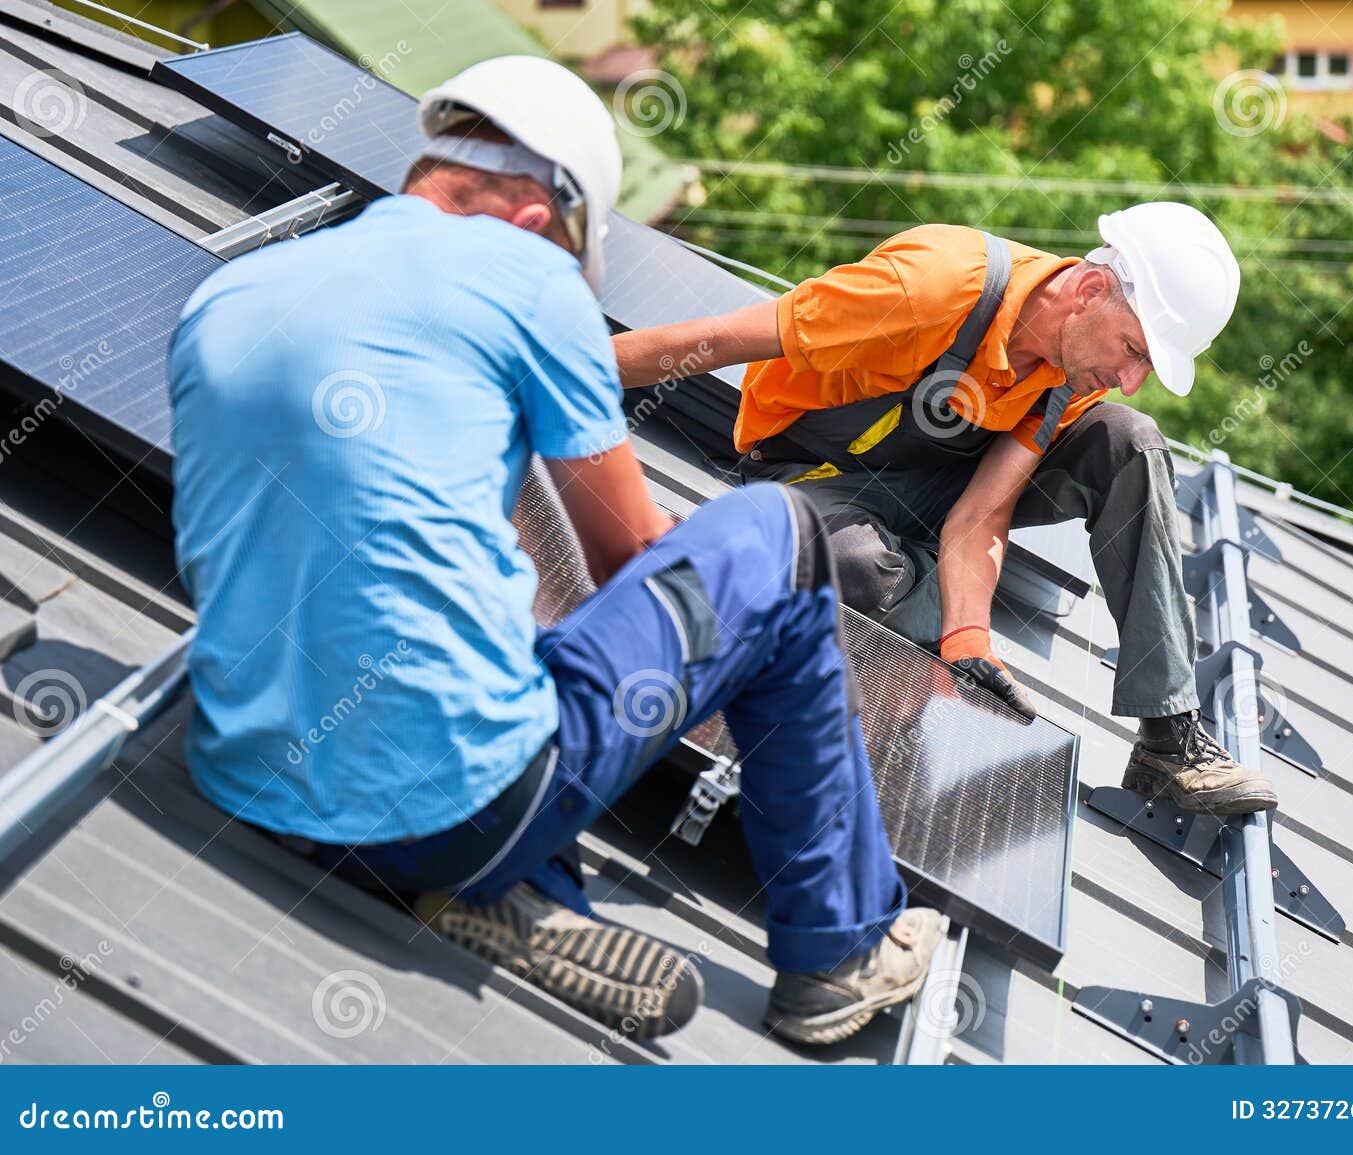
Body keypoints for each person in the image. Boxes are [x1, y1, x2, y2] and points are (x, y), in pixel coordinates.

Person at [166, 55, 941, 1046]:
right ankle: (843, 948)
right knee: (773, 539)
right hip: (449, 809)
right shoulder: (529, 278)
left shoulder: (240, 287)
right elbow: (631, 560)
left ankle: (512, 887)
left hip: (247, 773)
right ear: (542, 222)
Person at [613, 207, 1277, 815]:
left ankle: (1170, 734)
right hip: (817, 474)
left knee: (1129, 438)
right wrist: (557, 373)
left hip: (940, 492)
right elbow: (717, 339)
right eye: (1133, 349)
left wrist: (967, 642)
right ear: (1087, 291)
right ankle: (902, 579)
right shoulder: (932, 285)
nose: (1130, 378)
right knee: (854, 566)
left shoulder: (1068, 372)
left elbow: (982, 511)